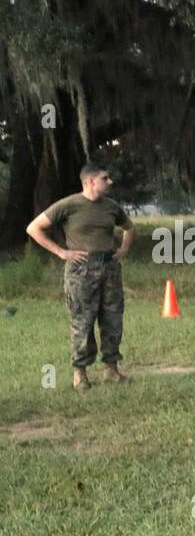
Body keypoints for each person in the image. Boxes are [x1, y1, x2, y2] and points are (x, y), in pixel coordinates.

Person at [26, 164, 135, 390]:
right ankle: (80, 374)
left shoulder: (112, 207)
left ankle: (111, 369)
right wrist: (61, 252)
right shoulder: (69, 205)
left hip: (109, 268)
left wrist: (123, 250)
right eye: (105, 178)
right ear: (90, 182)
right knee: (82, 320)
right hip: (82, 271)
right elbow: (34, 228)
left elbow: (129, 228)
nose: (110, 182)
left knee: (113, 318)